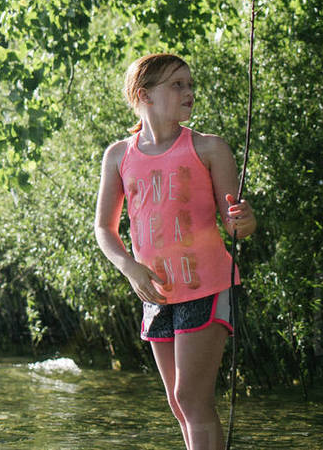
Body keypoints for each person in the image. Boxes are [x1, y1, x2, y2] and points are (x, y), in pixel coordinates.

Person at [95, 53, 258, 450]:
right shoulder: (118, 155)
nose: (189, 92)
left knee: (192, 398)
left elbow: (238, 225)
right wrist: (130, 268)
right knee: (177, 403)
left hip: (206, 286)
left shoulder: (209, 148)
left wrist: (245, 220)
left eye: (190, 84)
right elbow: (104, 228)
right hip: (157, 293)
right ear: (143, 94)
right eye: (177, 84)